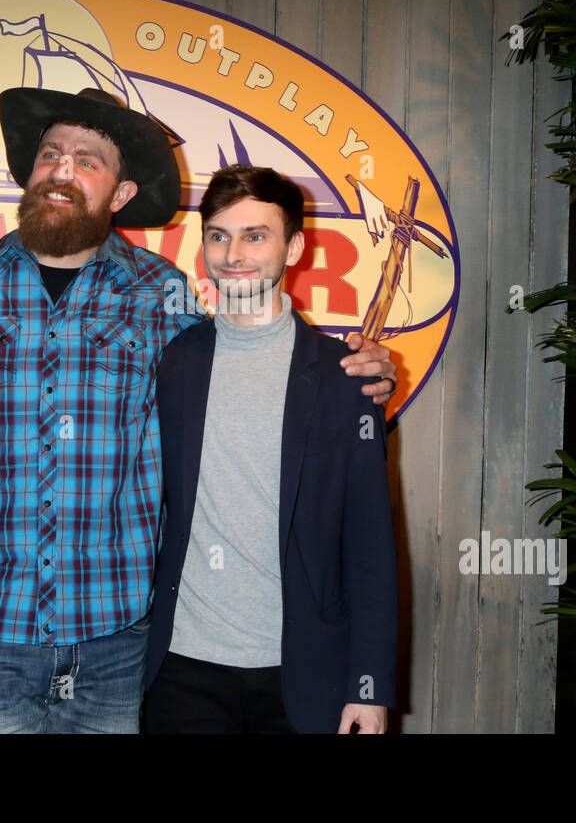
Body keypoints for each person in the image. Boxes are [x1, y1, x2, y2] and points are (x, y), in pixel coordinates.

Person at [0, 87, 398, 733]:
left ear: (121, 193)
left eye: (88, 160)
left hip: (114, 643)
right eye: (52, 153)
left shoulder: (161, 295)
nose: (62, 170)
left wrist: (354, 372)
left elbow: (249, 362)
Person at [142, 164, 398, 734]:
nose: (234, 254)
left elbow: (370, 545)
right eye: (219, 235)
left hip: (302, 673)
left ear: (295, 246)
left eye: (255, 235)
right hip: (182, 668)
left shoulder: (346, 376)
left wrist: (370, 685)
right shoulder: (174, 359)